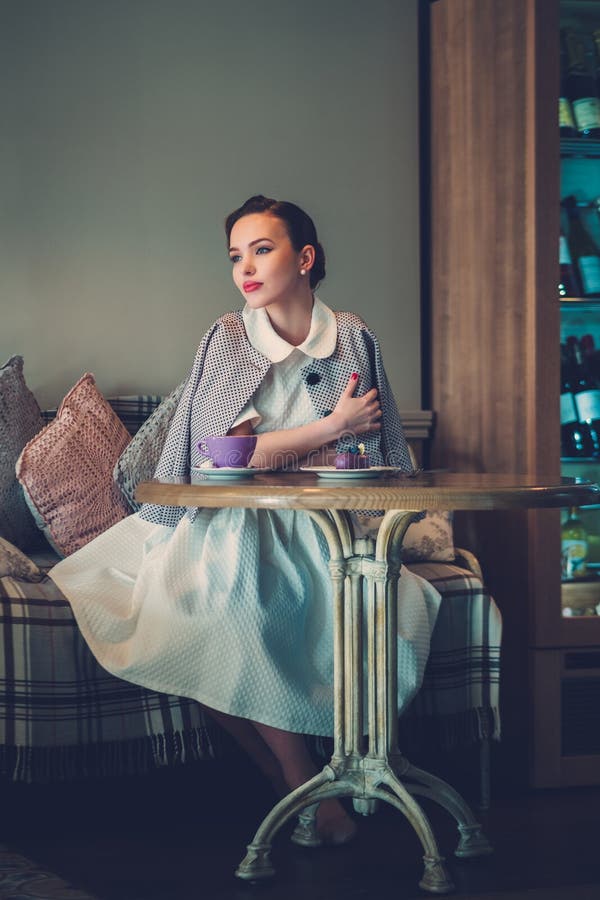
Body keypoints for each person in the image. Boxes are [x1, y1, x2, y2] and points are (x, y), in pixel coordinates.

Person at [50, 195, 440, 845]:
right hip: (231, 519)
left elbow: (371, 450)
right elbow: (218, 458)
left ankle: (306, 791)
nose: (246, 268)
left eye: (263, 249)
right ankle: (299, 786)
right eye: (236, 256)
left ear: (305, 257)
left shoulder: (351, 336)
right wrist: (330, 426)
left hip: (322, 524)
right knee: (192, 623)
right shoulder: (228, 338)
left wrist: (311, 444)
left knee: (352, 616)